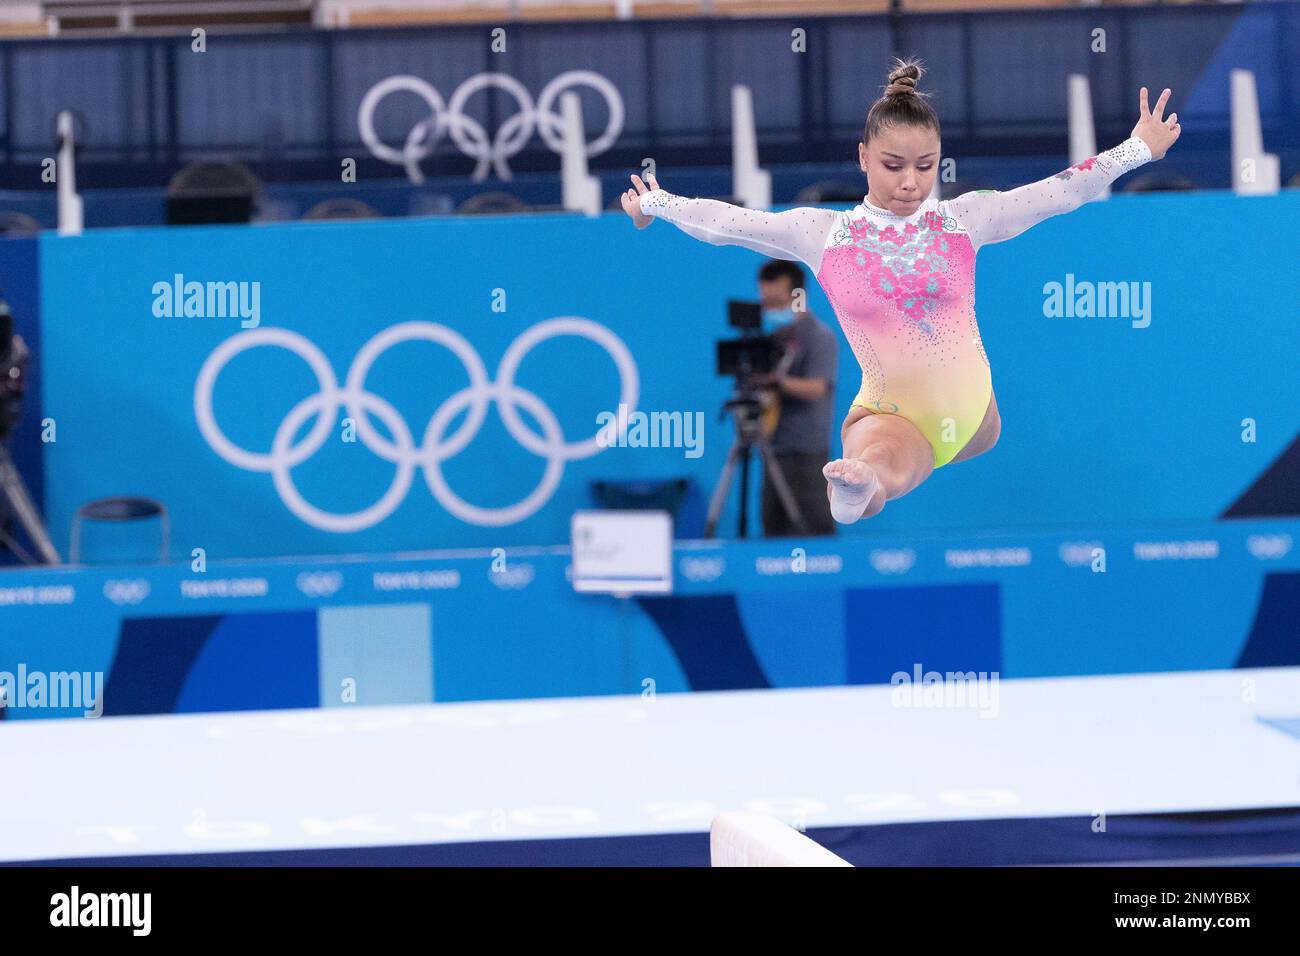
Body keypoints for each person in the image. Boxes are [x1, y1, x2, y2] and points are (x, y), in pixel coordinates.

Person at [621, 56, 1180, 524]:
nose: (910, 182)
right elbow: (728, 223)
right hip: (891, 411)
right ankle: (858, 487)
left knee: (905, 451)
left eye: (925, 166)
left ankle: (866, 483)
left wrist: (1137, 149)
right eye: (892, 166)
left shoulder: (965, 218)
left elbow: (1062, 191)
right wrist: (655, 203)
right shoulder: (825, 234)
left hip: (975, 415)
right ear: (863, 157)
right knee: (877, 457)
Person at [751, 258, 839, 537]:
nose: (771, 309)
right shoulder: (776, 337)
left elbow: (817, 388)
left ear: (796, 295)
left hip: (806, 448)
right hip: (774, 444)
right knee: (772, 524)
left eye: (776, 302)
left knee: (814, 524)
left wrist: (777, 382)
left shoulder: (820, 337)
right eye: (766, 303)